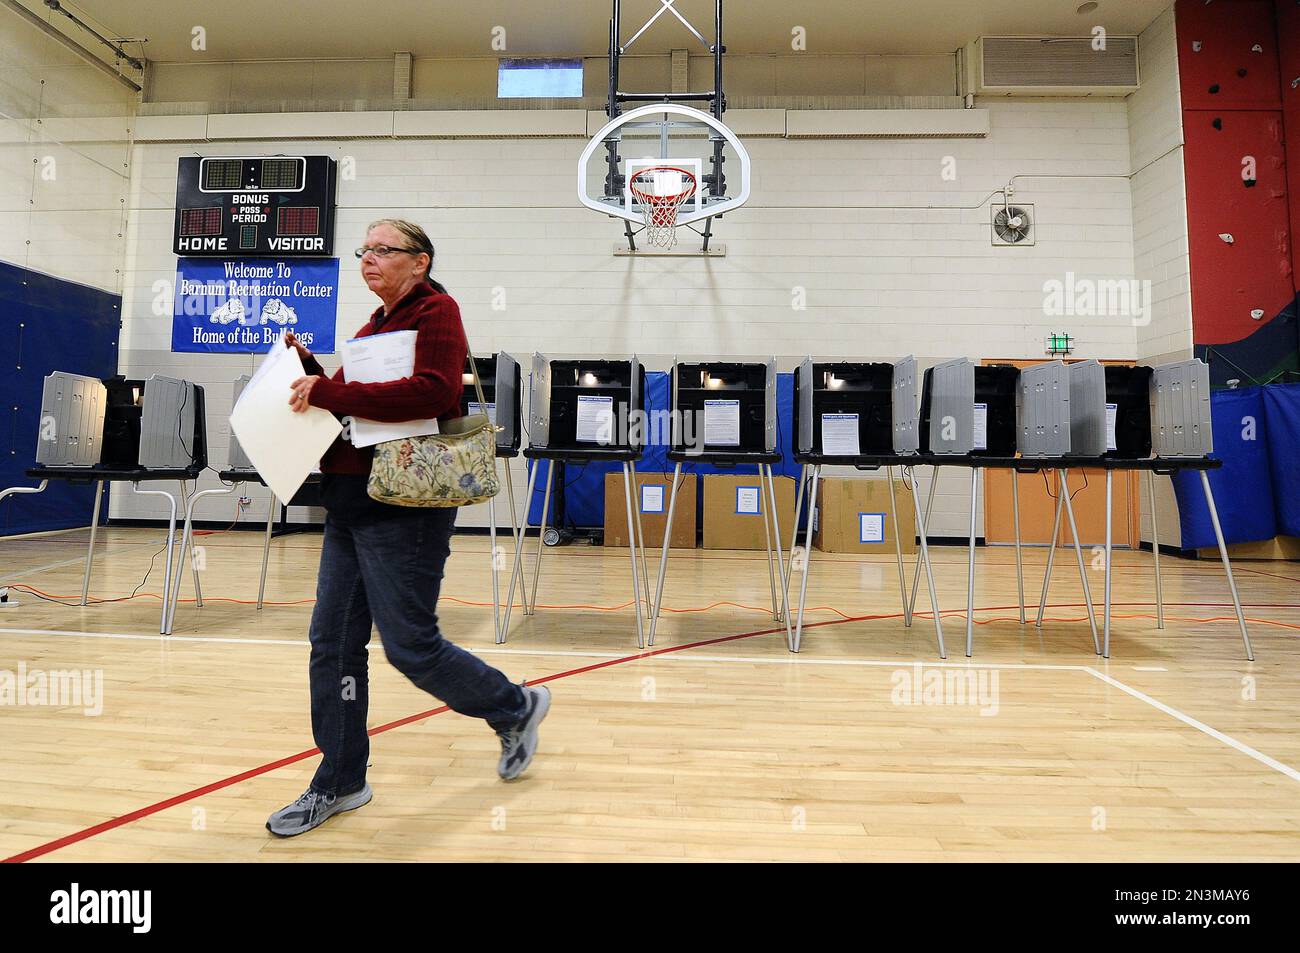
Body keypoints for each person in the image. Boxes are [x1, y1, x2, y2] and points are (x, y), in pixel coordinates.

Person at [265, 218, 550, 837]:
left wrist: (332, 393)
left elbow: (434, 391)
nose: (368, 259)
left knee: (410, 646)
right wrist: (314, 371)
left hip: (407, 509)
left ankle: (515, 706)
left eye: (382, 250)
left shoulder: (436, 312)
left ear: (418, 262)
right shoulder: (373, 325)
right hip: (355, 501)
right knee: (332, 647)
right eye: (363, 250)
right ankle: (341, 779)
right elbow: (359, 400)